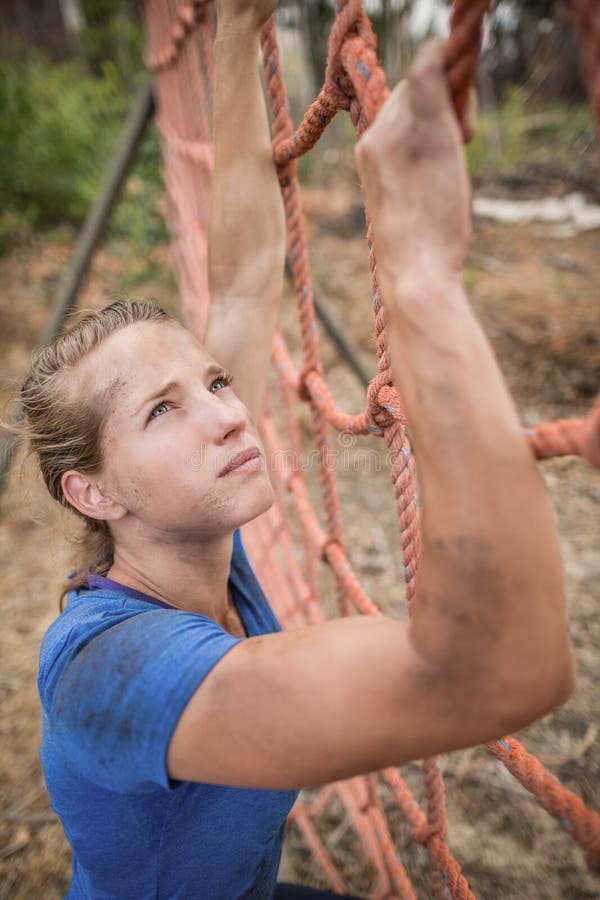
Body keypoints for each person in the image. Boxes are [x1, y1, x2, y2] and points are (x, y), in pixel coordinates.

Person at [18, 0, 575, 897]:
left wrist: (240, 29)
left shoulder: (189, 538)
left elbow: (239, 286)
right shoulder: (111, 670)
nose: (230, 416)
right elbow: (500, 669)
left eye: (215, 384)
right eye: (162, 413)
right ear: (93, 494)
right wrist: (421, 275)